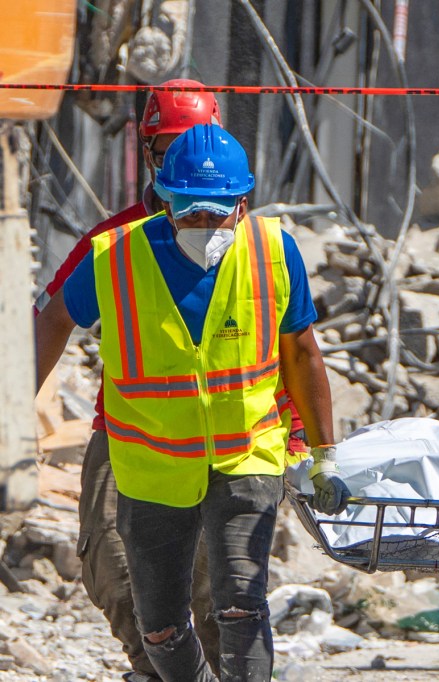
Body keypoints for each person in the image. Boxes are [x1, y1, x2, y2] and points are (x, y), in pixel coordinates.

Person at [35, 123, 349, 682]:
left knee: (240, 603)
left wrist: (324, 453)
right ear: (164, 199)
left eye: (217, 213)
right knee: (158, 624)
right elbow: (56, 317)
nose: (203, 225)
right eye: (190, 212)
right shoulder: (116, 257)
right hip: (151, 469)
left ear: (242, 203)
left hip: (245, 455)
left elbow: (302, 353)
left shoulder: (274, 250)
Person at [33, 79, 231, 682]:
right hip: (129, 431)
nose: (181, 160)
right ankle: (160, 668)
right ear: (147, 153)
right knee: (113, 565)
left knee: (217, 580)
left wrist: (303, 437)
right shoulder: (111, 246)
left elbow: (293, 344)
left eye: (193, 144)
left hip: (224, 438)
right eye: (167, 146)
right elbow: (53, 316)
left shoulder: (252, 245)